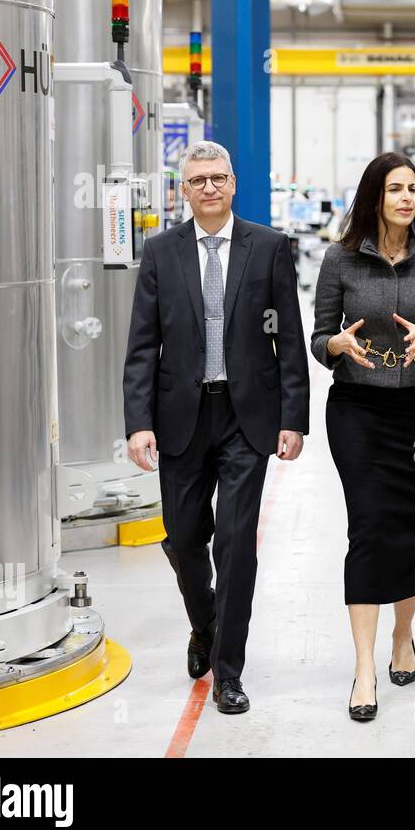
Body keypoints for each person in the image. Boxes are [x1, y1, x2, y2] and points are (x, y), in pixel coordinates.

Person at [124, 140, 310, 715]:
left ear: (233, 184)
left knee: (235, 544)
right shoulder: (160, 252)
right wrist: (138, 423)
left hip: (245, 417)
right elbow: (141, 347)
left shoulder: (271, 248)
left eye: (218, 178)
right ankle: (204, 624)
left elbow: (290, 342)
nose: (208, 187)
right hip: (180, 417)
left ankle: (229, 670)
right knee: (183, 539)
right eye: (198, 179)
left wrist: (293, 418)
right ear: (184, 190)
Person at [311, 152, 415, 722]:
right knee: (368, 526)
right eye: (396, 188)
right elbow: (318, 337)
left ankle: (404, 636)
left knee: (407, 525)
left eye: (414, 189)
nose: (407, 198)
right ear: (375, 195)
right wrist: (335, 346)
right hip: (355, 409)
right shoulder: (341, 260)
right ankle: (363, 669)